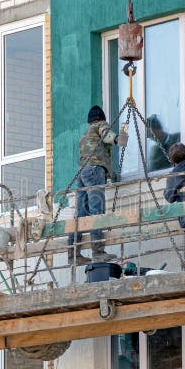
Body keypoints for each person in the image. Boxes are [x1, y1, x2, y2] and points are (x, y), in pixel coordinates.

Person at [69, 105, 128, 265]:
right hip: (95, 171)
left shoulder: (84, 135)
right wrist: (118, 139)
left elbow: (96, 154)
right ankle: (98, 252)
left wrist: (112, 174)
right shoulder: (100, 125)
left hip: (82, 174)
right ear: (101, 118)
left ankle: (73, 253)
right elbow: (107, 136)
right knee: (97, 212)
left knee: (81, 213)